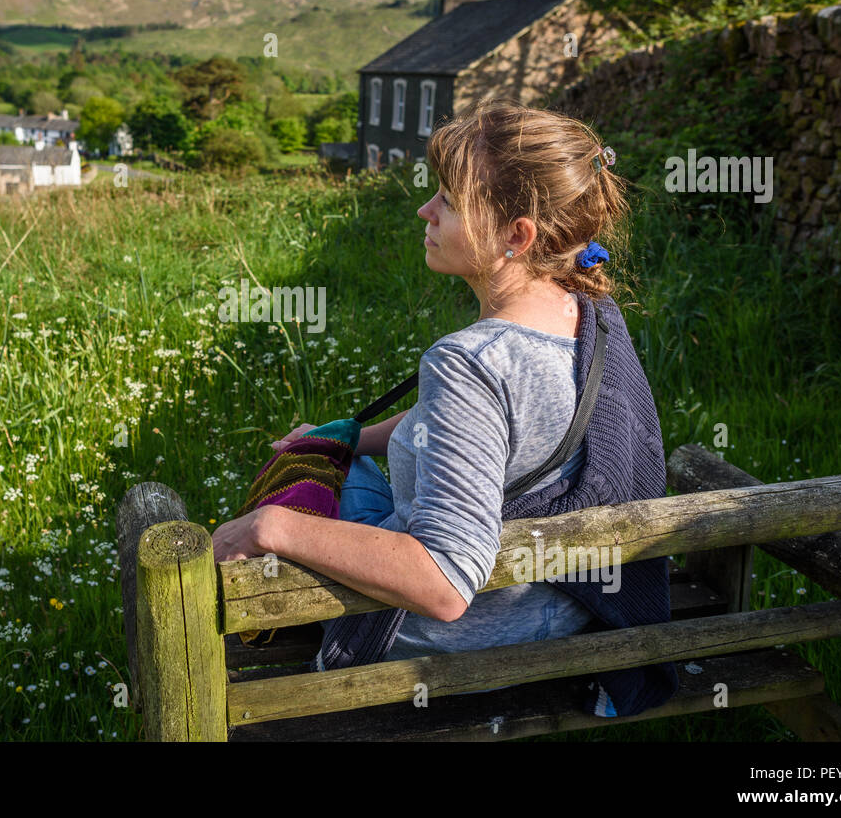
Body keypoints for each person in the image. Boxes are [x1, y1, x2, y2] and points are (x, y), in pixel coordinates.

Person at [211, 97, 646, 684]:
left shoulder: (470, 363)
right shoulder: (591, 310)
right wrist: (346, 437)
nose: (425, 211)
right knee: (329, 454)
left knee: (304, 492)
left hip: (453, 636)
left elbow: (442, 582)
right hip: (566, 604)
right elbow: (474, 426)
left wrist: (270, 527)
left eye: (448, 200)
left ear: (516, 236)